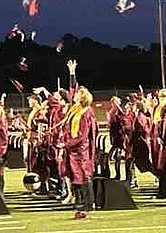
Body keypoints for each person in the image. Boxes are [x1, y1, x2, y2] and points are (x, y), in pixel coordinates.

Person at [62, 61, 98, 219]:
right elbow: (72, 88)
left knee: (83, 176)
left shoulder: (86, 112)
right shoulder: (76, 109)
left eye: (77, 94)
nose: (74, 95)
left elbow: (83, 135)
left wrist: (66, 144)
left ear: (81, 97)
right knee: (75, 178)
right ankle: (79, 204)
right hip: (73, 150)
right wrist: (72, 72)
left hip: (81, 151)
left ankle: (87, 205)